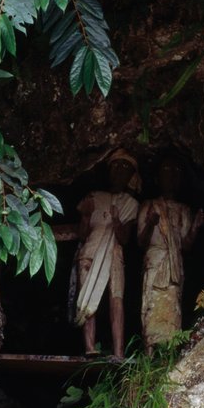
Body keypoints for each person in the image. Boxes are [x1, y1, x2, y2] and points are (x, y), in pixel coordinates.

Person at [74, 149, 140, 358]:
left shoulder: (131, 204)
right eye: (115, 166)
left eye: (125, 167)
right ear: (108, 170)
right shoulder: (93, 197)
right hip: (90, 252)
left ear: (132, 176)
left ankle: (118, 351)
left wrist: (117, 221)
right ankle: (89, 347)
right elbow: (82, 234)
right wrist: (86, 216)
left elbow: (125, 238)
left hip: (114, 254)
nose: (119, 171)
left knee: (116, 299)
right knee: (87, 296)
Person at [137, 157, 203, 353]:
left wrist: (195, 227)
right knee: (150, 305)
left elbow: (186, 245)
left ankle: (169, 355)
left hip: (174, 265)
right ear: (157, 178)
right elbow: (140, 241)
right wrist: (151, 224)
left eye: (176, 172)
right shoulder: (149, 205)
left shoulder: (183, 209)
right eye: (166, 171)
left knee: (172, 308)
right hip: (155, 261)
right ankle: (149, 354)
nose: (171, 176)